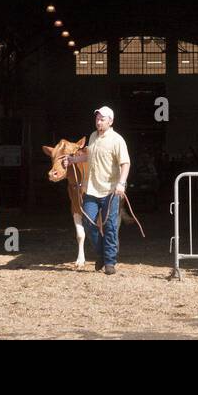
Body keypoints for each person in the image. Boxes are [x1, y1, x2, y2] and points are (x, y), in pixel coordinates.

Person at [61, 106, 131, 275]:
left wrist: (121, 183)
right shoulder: (93, 136)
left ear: (110, 121)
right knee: (88, 223)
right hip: (91, 189)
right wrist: (72, 159)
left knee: (110, 226)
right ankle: (101, 254)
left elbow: (125, 163)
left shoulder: (117, 140)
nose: (98, 121)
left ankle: (109, 262)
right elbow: (89, 156)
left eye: (102, 119)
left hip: (110, 190)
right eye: (97, 119)